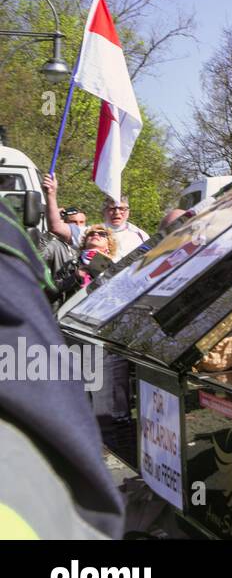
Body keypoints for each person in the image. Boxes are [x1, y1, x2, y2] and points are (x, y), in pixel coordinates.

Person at [0, 201, 125, 538]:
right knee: (77, 395)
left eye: (100, 241)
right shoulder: (69, 261)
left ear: (109, 248)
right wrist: (74, 276)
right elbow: (50, 289)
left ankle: (104, 451)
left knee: (100, 404)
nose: (94, 244)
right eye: (90, 241)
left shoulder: (120, 269)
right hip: (69, 335)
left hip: (99, 342)